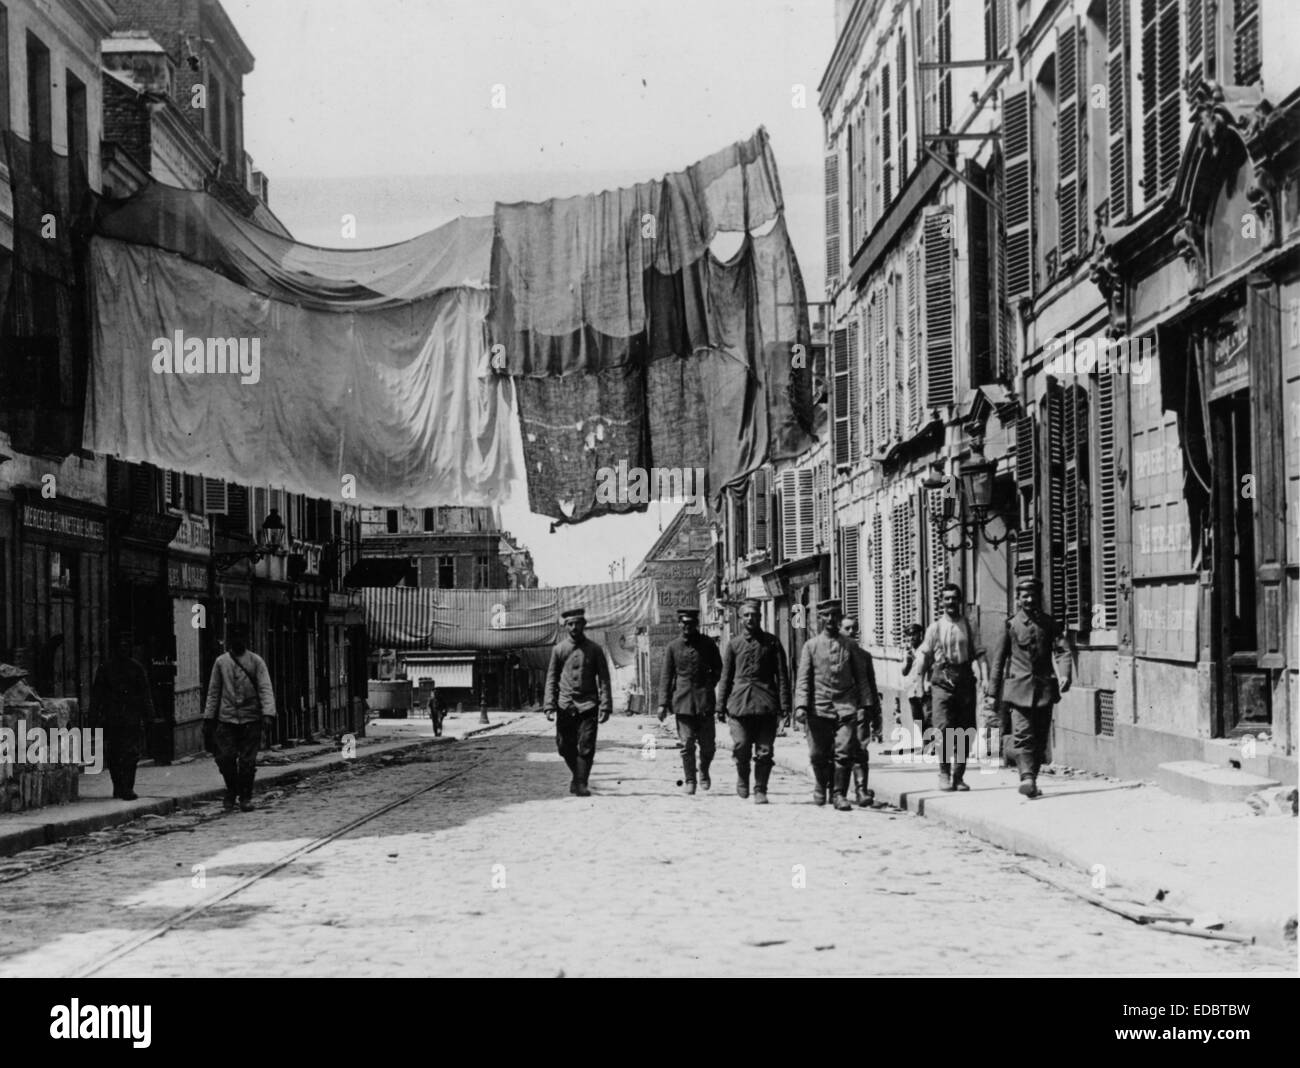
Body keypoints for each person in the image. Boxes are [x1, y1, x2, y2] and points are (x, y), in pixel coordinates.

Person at [985, 577, 1072, 799]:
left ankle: (1031, 780)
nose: (1030, 599)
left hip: (1044, 691)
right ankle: (1027, 777)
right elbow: (998, 661)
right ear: (1018, 598)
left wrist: (1065, 675)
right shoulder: (1010, 625)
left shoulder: (1049, 624)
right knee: (1023, 735)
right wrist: (992, 694)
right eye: (1025, 596)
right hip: (1018, 691)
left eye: (1033, 595)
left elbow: (1062, 651)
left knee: (1040, 739)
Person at [794, 598, 869, 811]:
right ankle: (820, 783)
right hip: (819, 708)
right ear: (819, 618)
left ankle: (839, 794)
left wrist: (866, 705)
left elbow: (861, 678)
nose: (830, 619)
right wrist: (800, 706)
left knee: (844, 752)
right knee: (818, 754)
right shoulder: (811, 646)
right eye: (826, 615)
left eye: (834, 615)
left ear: (839, 617)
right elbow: (803, 679)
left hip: (845, 706)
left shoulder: (850, 646)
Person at [914, 584, 988, 791]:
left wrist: (985, 677)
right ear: (941, 602)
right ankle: (944, 773)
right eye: (946, 599)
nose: (951, 603)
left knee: (966, 730)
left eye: (954, 598)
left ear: (960, 601)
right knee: (943, 728)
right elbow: (923, 656)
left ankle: (959, 776)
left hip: (964, 680)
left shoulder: (969, 625)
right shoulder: (935, 628)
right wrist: (920, 683)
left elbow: (979, 653)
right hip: (942, 682)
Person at [716, 598, 790, 804]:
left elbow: (782, 676)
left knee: (765, 750)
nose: (751, 618)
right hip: (739, 705)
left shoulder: (772, 643)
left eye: (754, 615)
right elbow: (726, 677)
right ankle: (742, 777)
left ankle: (760, 789)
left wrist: (785, 706)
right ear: (740, 619)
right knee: (741, 746)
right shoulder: (734, 645)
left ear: (760, 617)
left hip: (766, 704)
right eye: (746, 615)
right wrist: (720, 706)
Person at [203, 623, 276, 812]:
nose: (238, 641)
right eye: (235, 637)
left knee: (247, 762)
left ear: (247, 640)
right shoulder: (221, 662)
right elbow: (213, 692)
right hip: (226, 719)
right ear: (230, 640)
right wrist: (208, 718)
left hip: (251, 719)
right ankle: (232, 789)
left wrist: (268, 713)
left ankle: (245, 797)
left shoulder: (256, 662)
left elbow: (265, 688)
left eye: (242, 637)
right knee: (225, 758)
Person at [544, 607, 612, 797]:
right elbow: (551, 678)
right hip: (565, 705)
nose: (574, 627)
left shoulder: (595, 650)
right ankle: (577, 776)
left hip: (588, 704)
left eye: (578, 623)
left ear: (584, 624)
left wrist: (605, 706)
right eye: (570, 624)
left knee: (586, 745)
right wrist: (549, 704)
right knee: (564, 746)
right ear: (566, 626)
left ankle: (581, 783)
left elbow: (604, 679)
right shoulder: (559, 650)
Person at [658, 608, 723, 795]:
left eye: (691, 623)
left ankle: (703, 770)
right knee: (686, 744)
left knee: (708, 746)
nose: (687, 627)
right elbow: (666, 676)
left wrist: (710, 683)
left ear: (697, 623)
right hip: (683, 702)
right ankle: (690, 779)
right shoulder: (673, 647)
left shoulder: (708, 644)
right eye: (684, 623)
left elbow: (718, 668)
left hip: (705, 701)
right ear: (679, 624)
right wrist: (663, 703)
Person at [89, 633, 155, 802]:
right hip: (113, 720)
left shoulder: (136, 669)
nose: (123, 649)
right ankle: (118, 786)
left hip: (131, 719)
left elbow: (145, 695)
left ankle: (127, 787)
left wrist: (149, 717)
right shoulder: (106, 669)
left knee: (130, 755)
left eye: (126, 646)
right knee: (114, 755)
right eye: (121, 646)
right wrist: (93, 719)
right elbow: (97, 696)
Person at [839, 617, 880, 807]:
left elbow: (871, 684)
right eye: (847, 628)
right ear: (840, 630)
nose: (852, 631)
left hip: (861, 708)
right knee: (842, 751)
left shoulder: (865, 656)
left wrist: (875, 712)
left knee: (861, 749)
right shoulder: (835, 655)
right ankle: (839, 792)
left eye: (855, 628)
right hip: (840, 711)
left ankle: (861, 790)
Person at [900, 622, 931, 753]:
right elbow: (904, 672)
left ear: (920, 635)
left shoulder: (926, 649)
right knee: (917, 718)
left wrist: (929, 681)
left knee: (928, 716)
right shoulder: (907, 651)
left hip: (924, 686)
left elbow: (932, 667)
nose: (911, 638)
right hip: (912, 688)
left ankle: (932, 744)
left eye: (914, 634)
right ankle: (924, 744)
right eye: (908, 635)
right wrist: (908, 661)